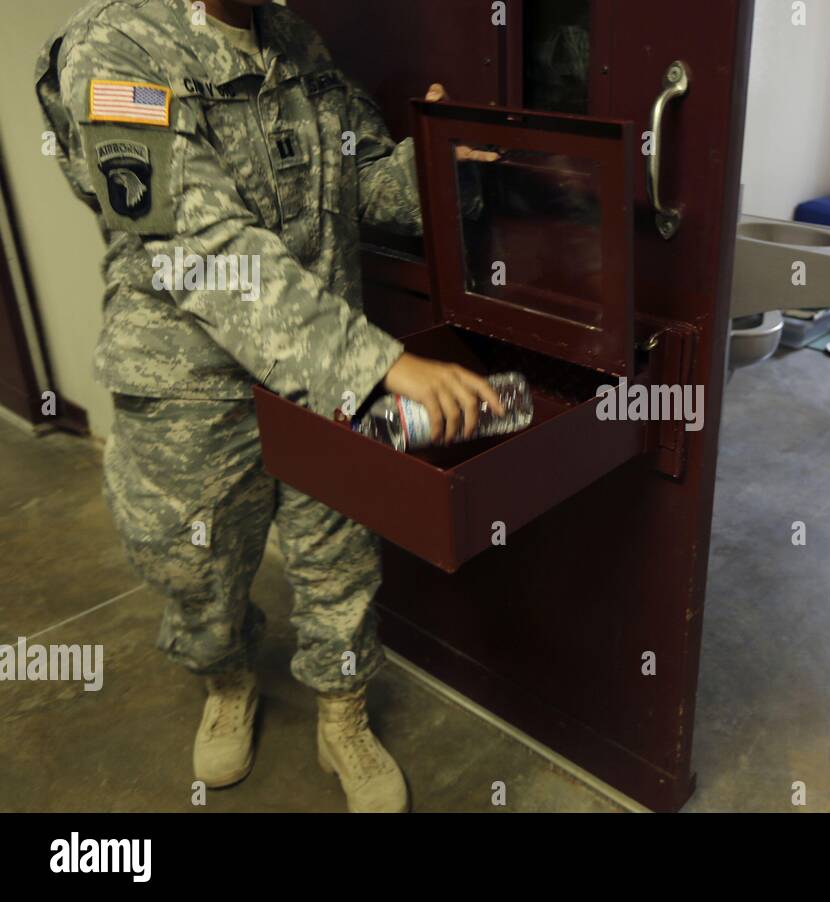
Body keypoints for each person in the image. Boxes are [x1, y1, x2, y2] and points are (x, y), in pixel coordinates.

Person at [35, 0, 499, 813]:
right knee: (195, 570)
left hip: (320, 379)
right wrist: (376, 363)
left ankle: (343, 715)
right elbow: (192, 241)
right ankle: (227, 679)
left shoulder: (299, 48)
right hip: (190, 387)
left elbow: (364, 185)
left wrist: (440, 163)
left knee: (339, 558)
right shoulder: (117, 49)